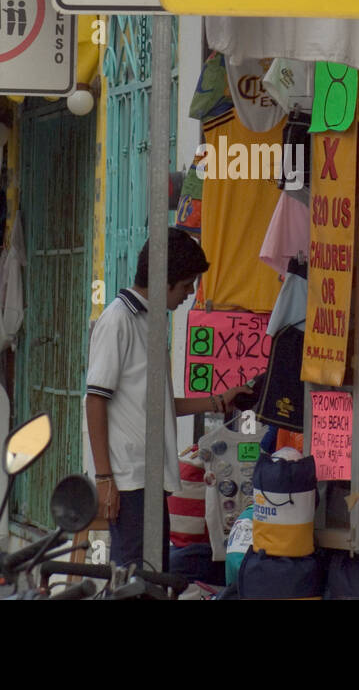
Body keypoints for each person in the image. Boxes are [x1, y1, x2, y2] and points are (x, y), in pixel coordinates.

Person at [85, 227, 250, 573]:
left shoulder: (152, 321)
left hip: (150, 477)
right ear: (165, 280)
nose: (190, 293)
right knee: (134, 579)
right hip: (128, 480)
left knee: (150, 577)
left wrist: (216, 401)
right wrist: (105, 479)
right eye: (187, 283)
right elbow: (95, 400)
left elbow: (155, 404)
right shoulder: (119, 320)